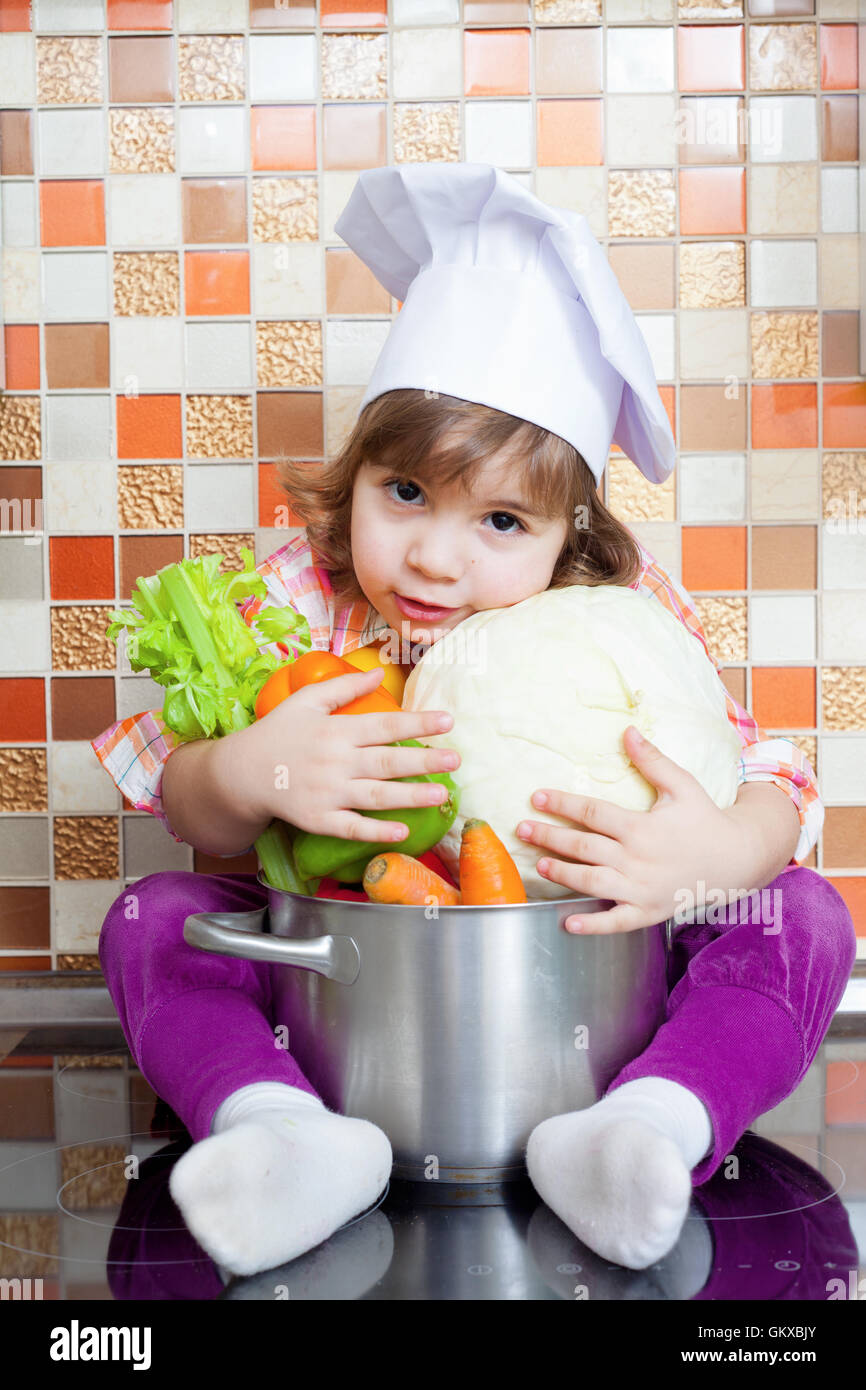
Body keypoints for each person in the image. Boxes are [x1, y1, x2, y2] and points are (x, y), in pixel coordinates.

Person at [91, 166, 856, 1282]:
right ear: (354, 479)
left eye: (499, 519)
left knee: (797, 912)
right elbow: (176, 788)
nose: (437, 557)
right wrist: (249, 770)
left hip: (589, 981)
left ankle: (645, 1126)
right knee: (153, 915)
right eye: (404, 494)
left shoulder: (621, 617)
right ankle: (278, 1132)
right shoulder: (297, 592)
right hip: (343, 980)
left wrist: (709, 854)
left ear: (566, 539)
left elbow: (773, 777)